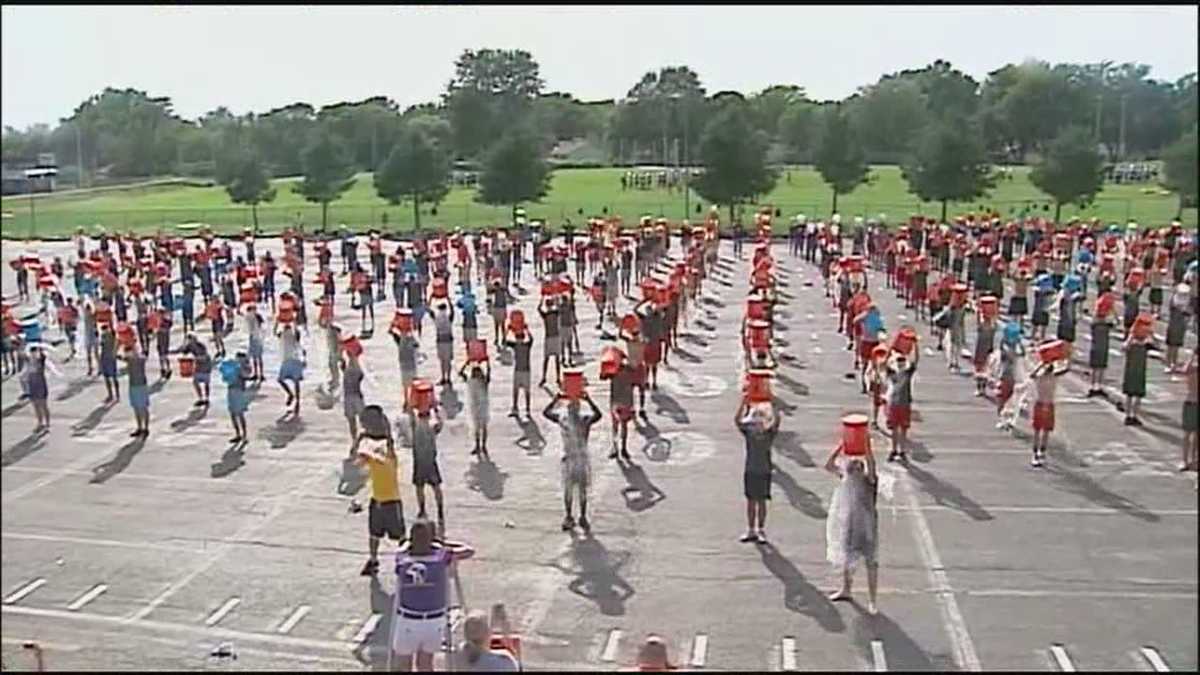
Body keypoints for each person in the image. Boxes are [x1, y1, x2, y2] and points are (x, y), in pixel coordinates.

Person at [388, 520, 475, 673]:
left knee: (403, 664)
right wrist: (442, 543)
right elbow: (469, 550)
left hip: (408, 619)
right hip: (434, 620)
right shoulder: (441, 557)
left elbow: (401, 550)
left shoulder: (402, 560)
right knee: (426, 663)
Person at [823, 443, 879, 615]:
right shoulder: (846, 480)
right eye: (853, 466)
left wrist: (866, 447)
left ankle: (872, 600)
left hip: (867, 528)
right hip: (850, 524)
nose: (856, 468)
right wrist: (842, 445)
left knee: (871, 562)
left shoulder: (869, 482)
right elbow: (829, 465)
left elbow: (871, 465)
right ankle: (846, 589)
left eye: (858, 466)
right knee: (847, 560)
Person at [353, 405, 406, 576]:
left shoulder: (390, 458)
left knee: (400, 536)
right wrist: (359, 439)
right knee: (374, 534)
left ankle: (406, 560)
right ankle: (373, 561)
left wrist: (385, 429)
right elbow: (356, 461)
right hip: (377, 500)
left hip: (392, 501)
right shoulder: (373, 459)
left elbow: (389, 443)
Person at [544, 391, 603, 532]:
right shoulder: (581, 420)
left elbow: (547, 413)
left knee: (575, 489)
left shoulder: (567, 419)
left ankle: (575, 516)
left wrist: (556, 400)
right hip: (576, 458)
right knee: (574, 489)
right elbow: (598, 415)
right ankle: (576, 516)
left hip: (574, 457)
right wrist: (588, 400)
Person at [735, 399, 781, 544]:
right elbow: (737, 421)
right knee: (750, 501)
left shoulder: (769, 434)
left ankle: (760, 529)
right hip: (750, 470)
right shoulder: (749, 433)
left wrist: (773, 409)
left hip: (764, 470)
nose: (757, 425)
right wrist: (743, 405)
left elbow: (776, 423)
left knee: (761, 502)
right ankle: (750, 529)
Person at [410, 403, 446, 537]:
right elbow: (440, 424)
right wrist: (436, 410)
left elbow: (409, 415)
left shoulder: (415, 427)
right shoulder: (431, 428)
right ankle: (440, 510)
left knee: (419, 487)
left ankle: (422, 509)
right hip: (431, 461)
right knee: (436, 487)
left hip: (419, 461)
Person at [1030, 347, 1070, 467]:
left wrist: (1065, 357)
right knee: (1038, 431)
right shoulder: (1040, 377)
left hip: (1048, 404)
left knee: (1045, 431)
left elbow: (1065, 369)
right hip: (1040, 403)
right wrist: (1043, 363)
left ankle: (1042, 452)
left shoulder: (1053, 377)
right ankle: (1036, 452)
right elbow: (1032, 374)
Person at [884, 349, 919, 462]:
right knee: (894, 429)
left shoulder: (907, 373)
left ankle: (902, 451)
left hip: (904, 404)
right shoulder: (892, 373)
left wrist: (915, 346)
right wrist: (889, 353)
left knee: (903, 429)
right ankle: (894, 450)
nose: (900, 362)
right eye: (899, 360)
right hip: (894, 403)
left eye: (902, 360)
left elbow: (916, 360)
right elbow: (884, 364)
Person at [1121, 323, 1153, 427]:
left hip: (1132, 371)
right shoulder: (1143, 345)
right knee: (1136, 394)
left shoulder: (1135, 344)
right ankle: (1133, 415)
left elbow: (1124, 347)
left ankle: (1129, 415)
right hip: (1138, 372)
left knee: (1131, 394)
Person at [460, 358, 491, 459]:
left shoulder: (483, 382)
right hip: (474, 405)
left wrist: (487, 363)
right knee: (476, 427)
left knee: (482, 426)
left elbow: (489, 374)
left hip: (482, 405)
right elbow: (460, 373)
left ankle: (483, 446)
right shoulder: (471, 381)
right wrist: (466, 363)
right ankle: (478, 445)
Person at [120, 342, 151, 437]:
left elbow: (143, 357)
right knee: (136, 408)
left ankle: (145, 428)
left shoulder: (140, 359)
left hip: (141, 385)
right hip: (133, 385)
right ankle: (139, 427)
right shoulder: (128, 360)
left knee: (143, 407)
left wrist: (135, 351)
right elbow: (120, 358)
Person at [276, 320, 305, 416]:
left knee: (291, 381)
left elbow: (297, 334)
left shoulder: (291, 335)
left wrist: (293, 322)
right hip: (290, 360)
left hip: (292, 359)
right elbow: (276, 332)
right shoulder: (284, 335)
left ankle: (295, 398)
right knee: (285, 380)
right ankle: (293, 395)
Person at [342, 347, 366, 456]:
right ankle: (356, 440)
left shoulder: (355, 366)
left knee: (358, 421)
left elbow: (360, 376)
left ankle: (357, 440)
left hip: (353, 395)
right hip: (353, 396)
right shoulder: (351, 365)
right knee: (354, 421)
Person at [1165, 282, 1193, 373]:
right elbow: (1172, 307)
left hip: (1180, 325)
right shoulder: (1174, 302)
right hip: (1174, 323)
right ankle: (1168, 363)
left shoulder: (1186, 304)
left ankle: (1173, 363)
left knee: (1176, 345)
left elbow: (1189, 313)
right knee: (1170, 345)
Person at [178, 333, 212, 407]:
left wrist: (196, 358)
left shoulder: (201, 346)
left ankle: (207, 398)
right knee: (195, 382)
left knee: (206, 383)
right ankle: (200, 398)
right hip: (198, 365)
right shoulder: (189, 346)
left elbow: (205, 356)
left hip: (206, 365)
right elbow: (183, 352)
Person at [538, 295, 563, 387]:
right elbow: (539, 309)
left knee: (552, 359)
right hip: (552, 336)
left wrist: (542, 301)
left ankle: (555, 377)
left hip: (551, 337)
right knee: (550, 359)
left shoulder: (550, 313)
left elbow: (539, 309)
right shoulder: (550, 313)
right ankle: (547, 377)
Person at [25, 344, 51, 432]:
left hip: (40, 383)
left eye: (35, 352)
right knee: (35, 405)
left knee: (43, 404)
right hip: (32, 384)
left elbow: (43, 356)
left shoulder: (40, 362)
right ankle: (40, 422)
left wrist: (40, 351)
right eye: (32, 352)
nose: (33, 355)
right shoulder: (29, 361)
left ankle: (47, 424)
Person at [1182, 350, 1198, 472]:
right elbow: (1185, 370)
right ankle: (1185, 460)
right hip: (1190, 401)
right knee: (1187, 434)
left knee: (1196, 436)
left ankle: (1193, 460)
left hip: (1193, 402)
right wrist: (1192, 357)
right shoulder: (1192, 368)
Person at [98, 324, 121, 404]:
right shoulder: (103, 336)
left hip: (110, 358)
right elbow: (101, 346)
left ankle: (117, 395)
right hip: (105, 357)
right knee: (106, 377)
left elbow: (118, 341)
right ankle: (110, 394)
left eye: (105, 329)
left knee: (114, 377)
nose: (104, 331)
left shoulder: (112, 335)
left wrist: (115, 352)